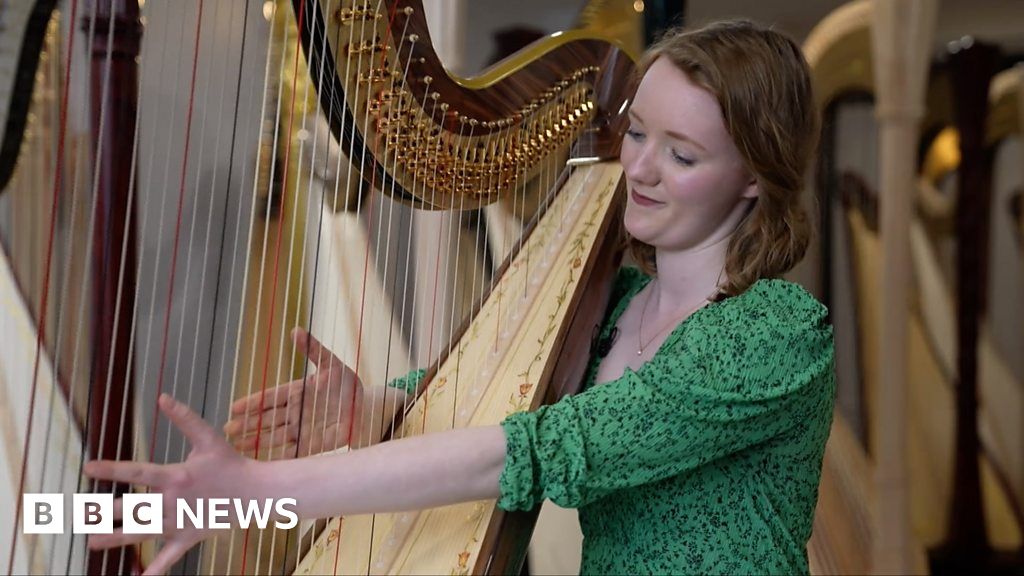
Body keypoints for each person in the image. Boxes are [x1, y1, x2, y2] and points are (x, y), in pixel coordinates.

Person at [85, 20, 834, 575]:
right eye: (635, 132)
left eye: (682, 153)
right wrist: (381, 407)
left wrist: (257, 489)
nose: (638, 168)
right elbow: (499, 400)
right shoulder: (617, 303)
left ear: (754, 177)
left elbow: (528, 449)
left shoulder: (772, 334)